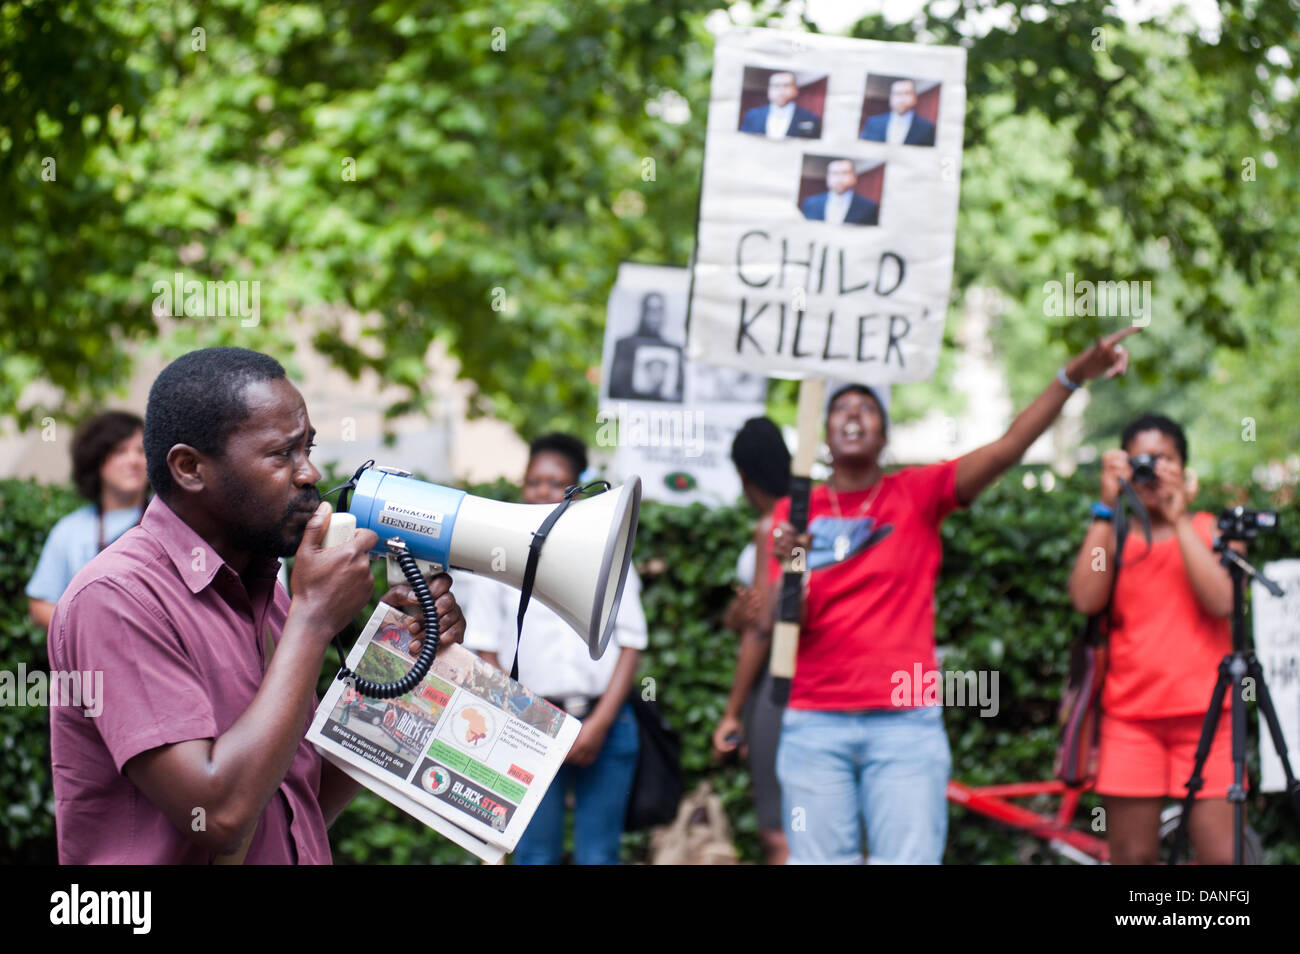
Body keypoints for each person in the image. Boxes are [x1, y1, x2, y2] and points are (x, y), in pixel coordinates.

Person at [46, 347, 466, 864]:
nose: (310, 472)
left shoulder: (265, 590)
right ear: (189, 468)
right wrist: (313, 619)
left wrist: (400, 659)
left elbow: (301, 800)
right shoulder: (117, 598)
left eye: (307, 447)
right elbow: (217, 815)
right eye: (281, 454)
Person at [767, 329, 1140, 864]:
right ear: (823, 433)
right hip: (815, 722)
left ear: (884, 433)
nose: (853, 416)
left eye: (867, 408)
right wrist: (794, 565)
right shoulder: (795, 511)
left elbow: (1009, 447)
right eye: (841, 408)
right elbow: (784, 621)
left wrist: (1072, 375)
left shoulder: (917, 492)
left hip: (905, 724)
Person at [458, 432, 648, 865]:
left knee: (599, 854)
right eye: (533, 481)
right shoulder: (498, 554)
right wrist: (533, 725)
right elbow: (486, 651)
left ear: (577, 489)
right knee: (534, 854)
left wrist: (598, 725)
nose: (542, 491)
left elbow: (631, 643)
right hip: (529, 726)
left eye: (555, 482)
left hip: (606, 724)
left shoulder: (607, 552)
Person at [1067, 415, 1238, 865]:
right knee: (1132, 856)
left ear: (1183, 467)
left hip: (1208, 718)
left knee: (1223, 858)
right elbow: (1085, 598)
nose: (1149, 470)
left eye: (1162, 459)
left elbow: (1223, 601)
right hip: (1131, 721)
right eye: (1139, 460)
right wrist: (1105, 509)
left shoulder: (1212, 531)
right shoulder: (1114, 536)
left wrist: (1178, 519)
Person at [711, 417, 792, 865]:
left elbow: (761, 630)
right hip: (814, 685)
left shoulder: (771, 527)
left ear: (744, 474)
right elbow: (747, 617)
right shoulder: (814, 515)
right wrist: (737, 614)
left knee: (777, 832)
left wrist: (732, 712)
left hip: (779, 686)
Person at [27, 411, 148, 629]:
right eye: (120, 451)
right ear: (97, 460)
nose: (134, 460)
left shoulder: (171, 518)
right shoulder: (69, 530)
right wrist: (89, 630)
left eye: (141, 451)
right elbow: (40, 604)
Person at [608, 291, 684, 402]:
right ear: (643, 312)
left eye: (659, 310)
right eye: (651, 310)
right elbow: (615, 388)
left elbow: (681, 391)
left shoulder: (675, 349)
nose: (655, 317)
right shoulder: (624, 346)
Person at [739, 71, 822, 139]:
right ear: (769, 90)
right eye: (776, 86)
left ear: (795, 90)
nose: (781, 90)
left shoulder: (811, 119)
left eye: (786, 85)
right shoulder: (752, 115)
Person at [800, 159, 879, 227]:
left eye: (845, 173)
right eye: (835, 173)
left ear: (854, 177)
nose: (839, 178)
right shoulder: (810, 203)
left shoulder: (869, 207)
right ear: (827, 177)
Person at [860, 78, 937, 146]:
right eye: (897, 93)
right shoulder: (872, 123)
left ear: (914, 98)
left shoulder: (927, 128)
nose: (901, 99)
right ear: (891, 97)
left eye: (907, 93)